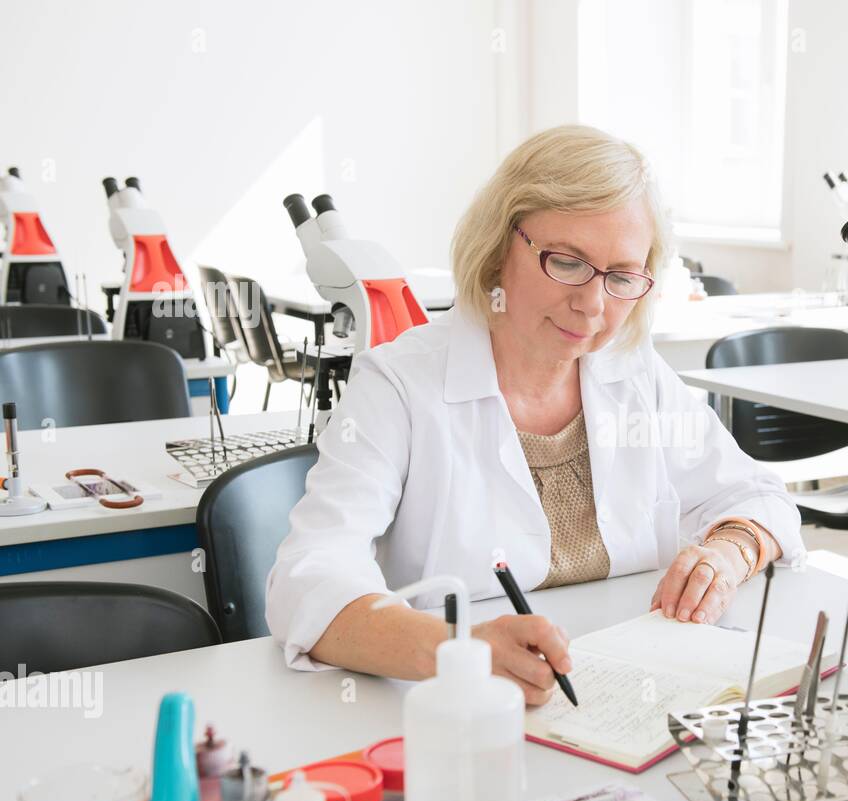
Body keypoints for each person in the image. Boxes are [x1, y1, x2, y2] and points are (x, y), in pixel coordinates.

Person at [266, 125, 806, 703]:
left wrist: (726, 554)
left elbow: (761, 498)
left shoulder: (633, 370)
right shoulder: (398, 383)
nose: (593, 304)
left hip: (630, 693)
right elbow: (308, 582)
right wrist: (458, 650)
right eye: (568, 263)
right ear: (500, 247)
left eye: (622, 277)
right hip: (458, 710)